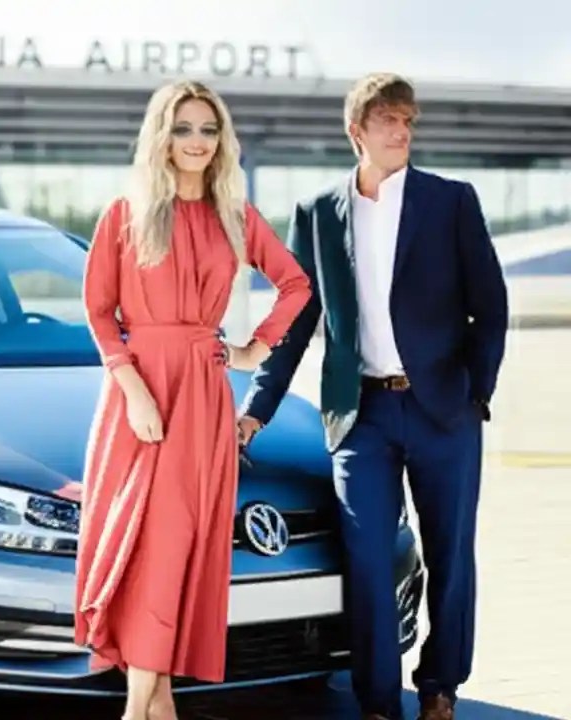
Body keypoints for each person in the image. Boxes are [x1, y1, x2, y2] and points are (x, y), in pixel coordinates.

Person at [236, 73, 509, 720]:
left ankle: (441, 686)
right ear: (356, 131)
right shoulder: (317, 215)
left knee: (449, 557)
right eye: (390, 121)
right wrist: (256, 410)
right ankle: (379, 701)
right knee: (366, 561)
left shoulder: (451, 203)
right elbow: (298, 325)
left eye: (409, 121)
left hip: (444, 410)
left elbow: (490, 309)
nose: (403, 132)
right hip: (362, 418)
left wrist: (475, 391)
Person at [73, 79, 312, 720]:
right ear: (162, 136)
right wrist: (135, 393)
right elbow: (98, 313)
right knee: (142, 545)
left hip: (204, 397)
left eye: (209, 129)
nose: (198, 142)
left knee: (177, 548)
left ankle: (148, 708)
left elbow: (295, 284)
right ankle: (147, 708)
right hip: (138, 397)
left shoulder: (235, 216)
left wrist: (254, 349)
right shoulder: (124, 214)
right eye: (184, 128)